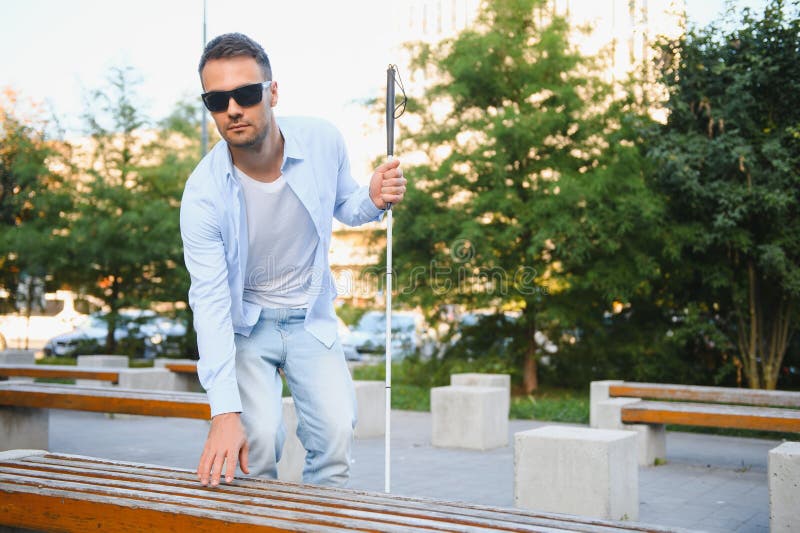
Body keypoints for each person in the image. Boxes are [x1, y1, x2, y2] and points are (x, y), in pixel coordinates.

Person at [180, 32, 405, 488]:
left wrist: (374, 197)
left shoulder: (322, 139)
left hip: (310, 318)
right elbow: (210, 304)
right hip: (247, 324)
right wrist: (223, 412)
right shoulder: (202, 195)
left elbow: (347, 204)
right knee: (255, 442)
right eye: (217, 100)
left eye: (245, 93)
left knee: (337, 436)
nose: (233, 109)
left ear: (272, 92)